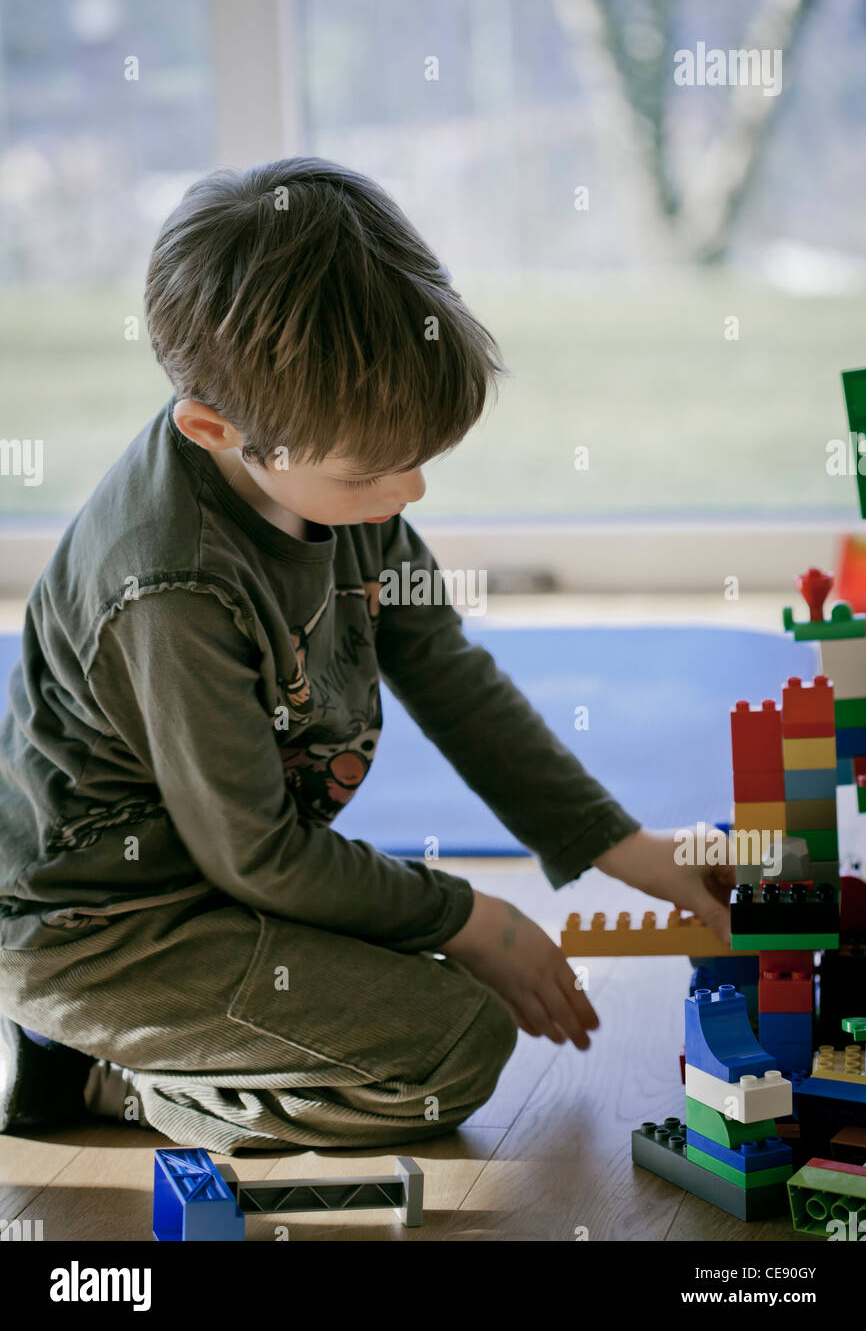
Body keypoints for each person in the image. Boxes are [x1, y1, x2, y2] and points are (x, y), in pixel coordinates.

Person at [0, 159, 732, 1153]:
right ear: (215, 429)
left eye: (417, 459)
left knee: (435, 1007)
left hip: (221, 883)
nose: (411, 492)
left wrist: (617, 844)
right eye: (375, 472)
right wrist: (466, 914)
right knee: (447, 1050)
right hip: (100, 930)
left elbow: (442, 666)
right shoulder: (170, 586)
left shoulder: (321, 464)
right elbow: (257, 852)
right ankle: (87, 1071)